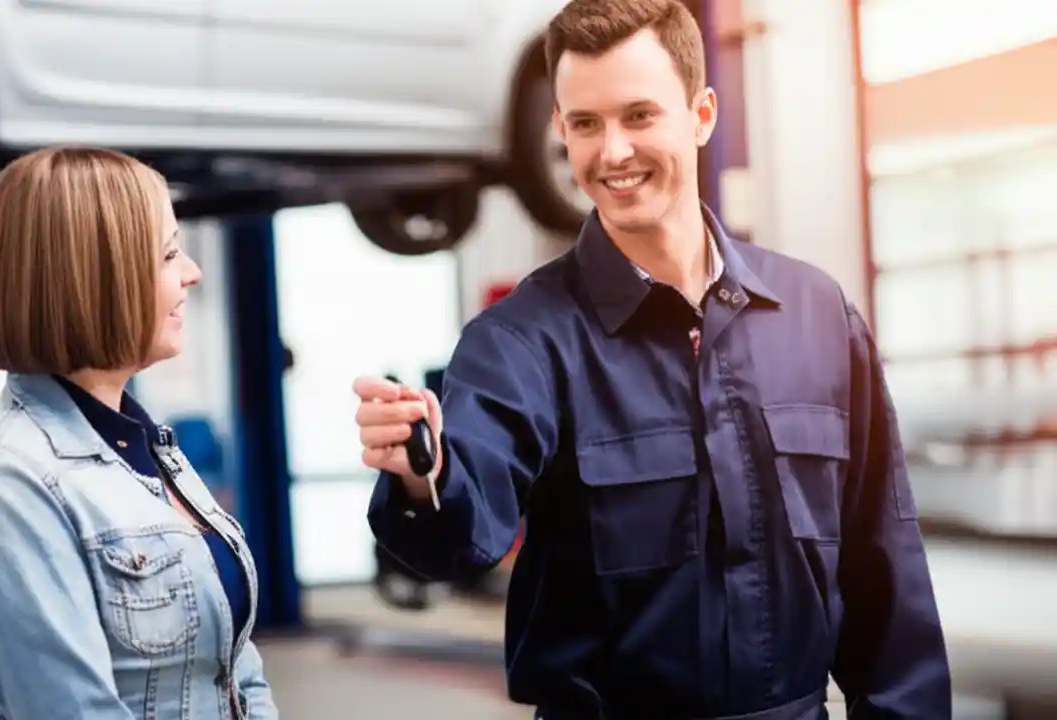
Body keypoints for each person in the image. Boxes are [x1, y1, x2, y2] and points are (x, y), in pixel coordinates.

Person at [354, 1, 950, 718]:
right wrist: (425, 478)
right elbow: (460, 530)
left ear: (700, 115)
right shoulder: (521, 342)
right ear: (560, 132)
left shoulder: (818, 315)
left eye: (639, 115)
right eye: (585, 124)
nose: (611, 153)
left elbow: (885, 569)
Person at [0, 147, 276, 719]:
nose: (192, 271)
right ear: (96, 276)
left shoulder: (148, 449)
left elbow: (237, 673)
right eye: (168, 253)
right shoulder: (4, 477)